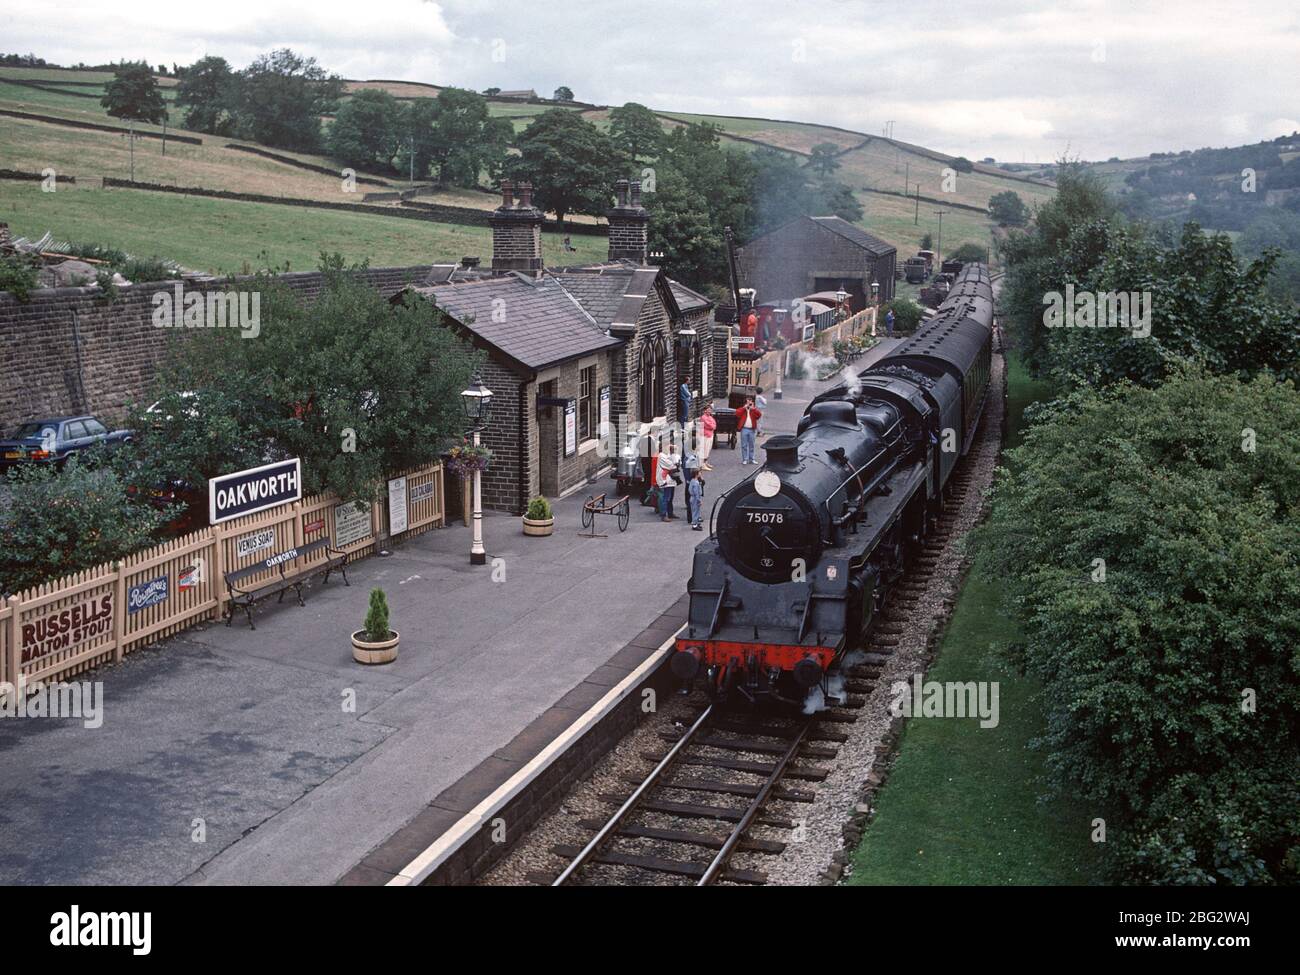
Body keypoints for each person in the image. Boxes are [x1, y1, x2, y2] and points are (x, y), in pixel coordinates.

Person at [656, 442, 680, 521]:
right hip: (665, 480)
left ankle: (670, 512)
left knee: (670, 497)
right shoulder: (661, 456)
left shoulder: (668, 455)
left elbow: (678, 462)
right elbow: (672, 465)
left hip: (671, 479)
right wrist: (674, 457)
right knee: (666, 497)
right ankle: (663, 514)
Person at [736, 396, 761, 465]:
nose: (749, 404)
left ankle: (752, 459)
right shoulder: (743, 410)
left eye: (750, 402)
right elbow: (737, 413)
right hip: (744, 429)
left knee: (752, 445)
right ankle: (745, 459)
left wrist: (754, 409)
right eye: (747, 402)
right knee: (744, 445)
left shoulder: (753, 410)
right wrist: (744, 408)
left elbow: (759, 415)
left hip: (752, 429)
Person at [698, 404, 717, 471]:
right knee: (704, 450)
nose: (709, 411)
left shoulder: (710, 417)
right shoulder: (703, 417)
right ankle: (702, 465)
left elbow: (714, 424)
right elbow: (709, 426)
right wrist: (712, 425)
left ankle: (705, 463)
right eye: (708, 410)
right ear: (704, 411)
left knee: (708, 449)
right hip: (705, 435)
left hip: (710, 435)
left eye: (710, 410)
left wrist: (712, 425)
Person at [687, 466, 706, 531]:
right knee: (695, 512)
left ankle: (697, 523)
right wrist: (699, 500)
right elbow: (696, 493)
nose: (700, 473)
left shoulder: (692, 481)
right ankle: (694, 524)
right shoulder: (696, 482)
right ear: (696, 474)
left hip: (693, 498)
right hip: (695, 498)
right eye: (700, 472)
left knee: (696, 511)